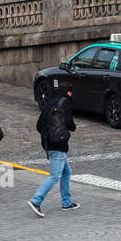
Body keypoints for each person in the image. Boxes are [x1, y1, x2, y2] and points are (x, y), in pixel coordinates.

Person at [29, 79, 80, 216]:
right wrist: (69, 129)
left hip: (49, 143)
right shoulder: (66, 103)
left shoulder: (49, 103)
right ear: (69, 92)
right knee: (55, 175)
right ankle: (36, 200)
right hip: (59, 144)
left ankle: (67, 202)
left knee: (66, 172)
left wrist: (48, 136)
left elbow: (39, 125)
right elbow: (70, 125)